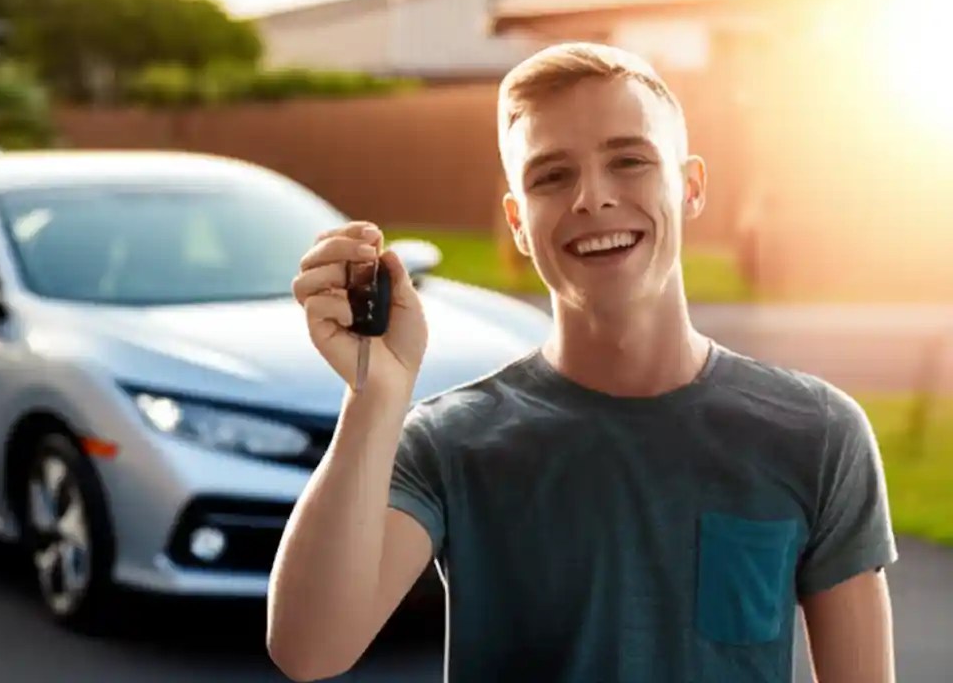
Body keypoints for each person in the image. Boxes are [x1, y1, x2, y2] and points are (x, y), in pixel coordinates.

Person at [267, 41, 898, 682]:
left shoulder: (817, 434)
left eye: (629, 160)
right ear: (517, 221)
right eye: (551, 176)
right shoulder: (449, 444)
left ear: (691, 186)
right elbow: (309, 650)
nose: (591, 198)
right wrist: (372, 395)